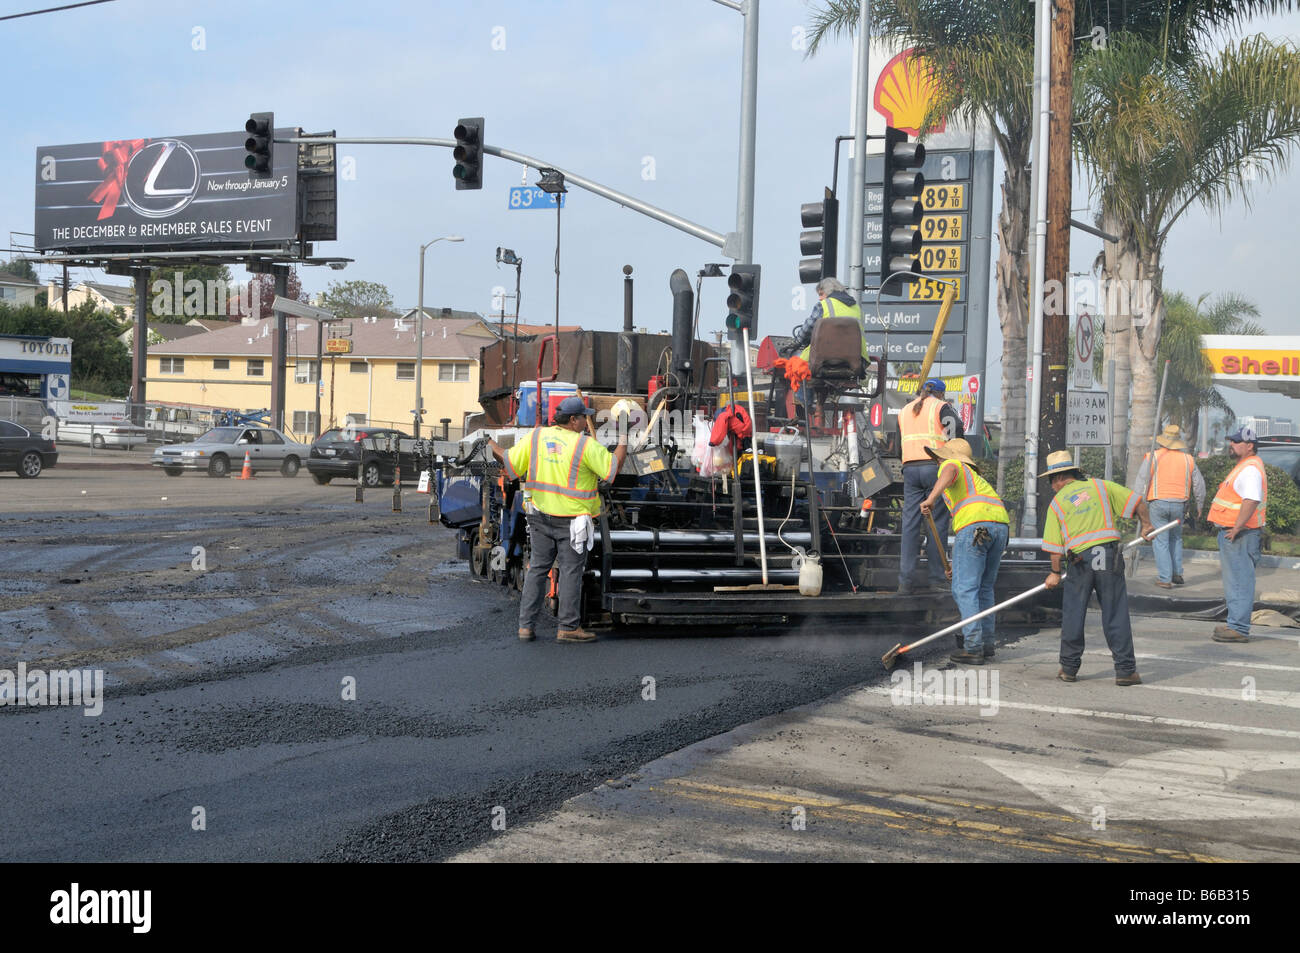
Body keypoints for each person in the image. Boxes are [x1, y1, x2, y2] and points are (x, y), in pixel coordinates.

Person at [490, 395, 628, 643]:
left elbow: (510, 462)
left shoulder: (536, 437)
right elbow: (612, 468)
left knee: (537, 570)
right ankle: (567, 627)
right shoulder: (584, 445)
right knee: (570, 571)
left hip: (539, 516)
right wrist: (625, 439)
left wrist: (490, 444)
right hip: (572, 521)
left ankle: (525, 627)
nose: (587, 422)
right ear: (573, 420)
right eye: (584, 418)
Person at [1040, 450, 1154, 687]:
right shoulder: (1101, 487)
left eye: (1051, 481)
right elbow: (1137, 502)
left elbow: (1055, 548)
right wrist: (1147, 525)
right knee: (1115, 612)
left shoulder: (1057, 503)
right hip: (1108, 556)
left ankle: (1069, 668)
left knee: (1074, 612)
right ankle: (1125, 671)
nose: (1052, 487)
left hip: (1079, 561)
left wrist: (1053, 573)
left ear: (1059, 478)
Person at [919, 438, 1009, 664]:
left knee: (965, 589)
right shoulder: (975, 479)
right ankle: (987, 643)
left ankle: (973, 647)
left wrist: (930, 499)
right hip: (1000, 527)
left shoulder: (953, 465)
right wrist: (954, 567)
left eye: (939, 456)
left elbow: (948, 470)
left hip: (975, 527)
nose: (937, 460)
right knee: (985, 588)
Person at [897, 377, 964, 595]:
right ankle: (936, 579)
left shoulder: (905, 410)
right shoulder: (941, 406)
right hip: (935, 468)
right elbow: (957, 432)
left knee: (910, 525)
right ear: (941, 393)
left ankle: (905, 582)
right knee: (938, 523)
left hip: (910, 469)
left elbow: (899, 443)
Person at [1207, 425, 1268, 643]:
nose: (1231, 445)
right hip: (1239, 534)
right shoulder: (1246, 466)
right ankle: (1236, 624)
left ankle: (1239, 628)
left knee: (1240, 581)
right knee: (1236, 580)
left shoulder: (1250, 468)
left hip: (1240, 535)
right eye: (1231, 441)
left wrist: (1237, 527)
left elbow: (1251, 499)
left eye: (1236, 442)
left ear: (1249, 446)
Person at [1134, 424, 1205, 588]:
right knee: (1176, 538)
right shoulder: (1188, 459)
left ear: (1162, 441)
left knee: (1161, 540)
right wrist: (1200, 505)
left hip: (1158, 503)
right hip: (1179, 504)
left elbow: (1141, 480)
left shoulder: (1153, 456)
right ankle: (1176, 573)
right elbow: (1199, 485)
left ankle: (1165, 578)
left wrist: (1137, 505)